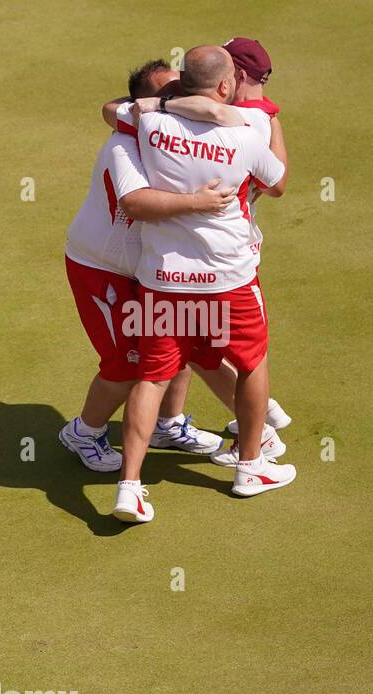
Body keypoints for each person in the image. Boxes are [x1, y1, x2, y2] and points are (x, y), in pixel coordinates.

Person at [113, 46, 291, 523]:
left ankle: (129, 487)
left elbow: (112, 110)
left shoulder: (149, 124)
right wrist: (269, 121)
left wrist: (165, 104)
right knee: (252, 363)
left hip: (163, 277)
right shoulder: (248, 132)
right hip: (229, 277)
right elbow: (277, 184)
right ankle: (250, 467)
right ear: (227, 86)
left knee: (152, 376)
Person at [61, 58, 234, 471]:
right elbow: (136, 204)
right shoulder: (129, 136)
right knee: (125, 364)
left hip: (150, 269)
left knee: (177, 346)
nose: (180, 100)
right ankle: (83, 432)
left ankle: (166, 424)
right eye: (169, 94)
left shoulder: (180, 134)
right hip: (100, 267)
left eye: (184, 91)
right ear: (143, 104)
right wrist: (198, 203)